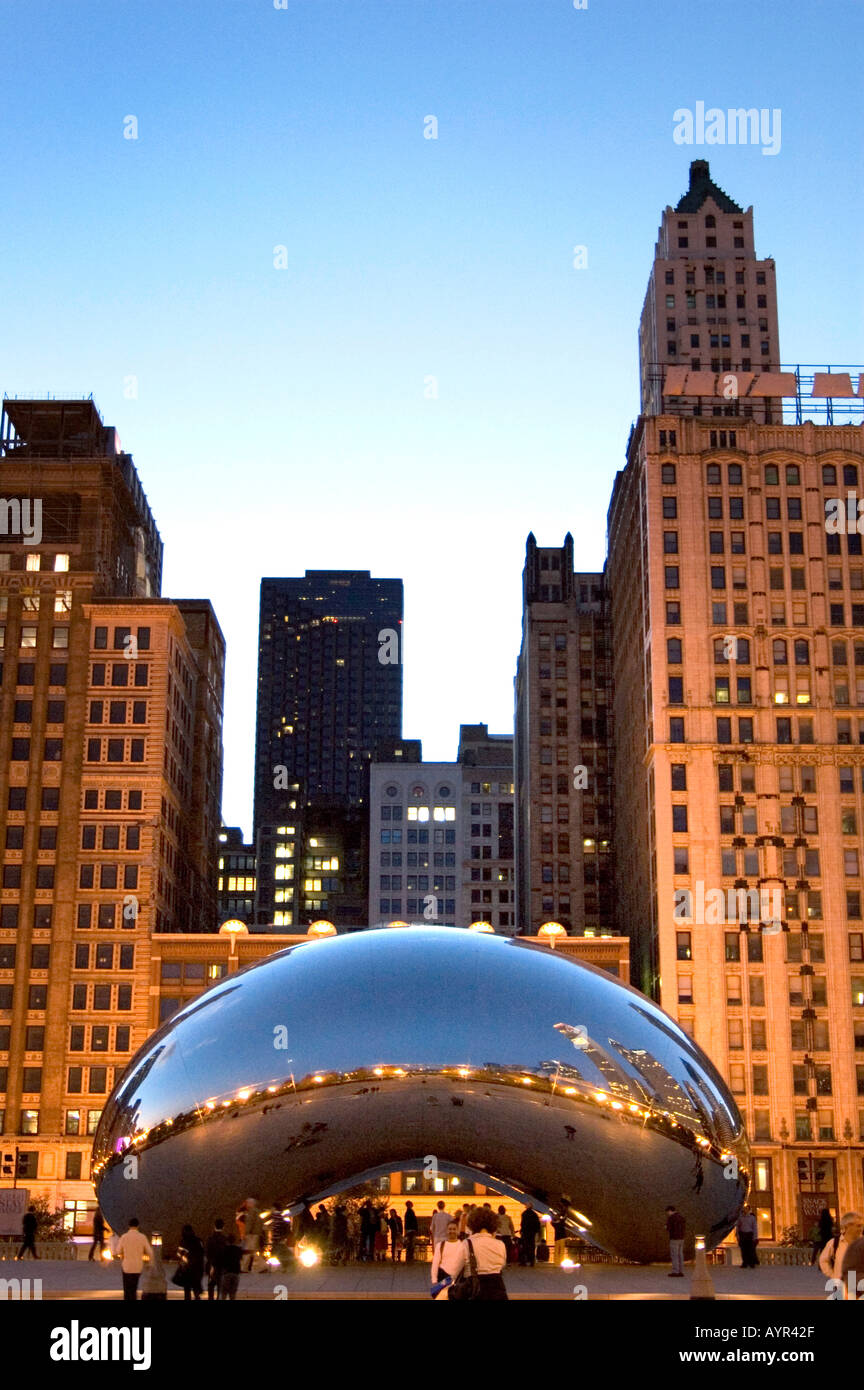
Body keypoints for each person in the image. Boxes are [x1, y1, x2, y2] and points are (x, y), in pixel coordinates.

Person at [447, 1207, 508, 1300]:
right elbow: (502, 1265)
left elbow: (454, 1271)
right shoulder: (500, 1244)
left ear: (472, 1224)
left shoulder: (466, 1244)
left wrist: (440, 1285)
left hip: (476, 1289)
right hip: (497, 1289)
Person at [819, 1211, 863, 1285]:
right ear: (847, 1226)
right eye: (858, 1226)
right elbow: (823, 1261)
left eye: (861, 1226)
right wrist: (833, 1276)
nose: (861, 1229)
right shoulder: (834, 1243)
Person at [117, 1218, 152, 1301]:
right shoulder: (142, 1237)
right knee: (134, 1288)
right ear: (138, 1226)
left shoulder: (124, 1237)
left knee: (127, 1289)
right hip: (138, 1266)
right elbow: (150, 1251)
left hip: (126, 1266)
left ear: (129, 1225)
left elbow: (117, 1250)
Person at [430, 1219, 463, 1299]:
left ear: (458, 1231)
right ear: (446, 1231)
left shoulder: (463, 1245)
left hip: (458, 1280)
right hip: (443, 1280)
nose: (452, 1231)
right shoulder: (440, 1245)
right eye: (450, 1229)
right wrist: (434, 1281)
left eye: (454, 1229)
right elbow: (435, 1264)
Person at [176, 1224, 205, 1300]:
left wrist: (181, 1264)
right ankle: (197, 1297)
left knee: (187, 1290)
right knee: (196, 1288)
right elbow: (202, 1253)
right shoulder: (198, 1241)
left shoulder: (183, 1241)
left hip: (187, 1269)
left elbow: (179, 1254)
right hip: (197, 1268)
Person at [205, 1218, 228, 1299]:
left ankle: (210, 1298)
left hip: (213, 1264)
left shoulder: (210, 1238)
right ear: (223, 1227)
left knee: (211, 1284)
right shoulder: (224, 1239)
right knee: (220, 1285)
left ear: (214, 1226)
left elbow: (207, 1252)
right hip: (221, 1265)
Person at [220, 1233, 243, 1300]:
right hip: (235, 1273)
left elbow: (222, 1260)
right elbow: (240, 1259)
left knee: (224, 1293)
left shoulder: (224, 1249)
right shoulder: (238, 1249)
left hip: (226, 1273)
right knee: (233, 1294)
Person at [735, 1204, 759, 1268]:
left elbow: (754, 1228)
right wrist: (737, 1236)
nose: (745, 1210)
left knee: (750, 1250)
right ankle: (744, 1262)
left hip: (749, 1234)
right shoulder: (741, 1218)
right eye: (744, 1209)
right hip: (743, 1234)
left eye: (746, 1209)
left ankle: (751, 1263)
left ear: (749, 1210)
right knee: (743, 1250)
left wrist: (755, 1237)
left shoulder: (752, 1218)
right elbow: (738, 1227)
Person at [666, 1205, 685, 1277]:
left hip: (674, 1238)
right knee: (680, 1255)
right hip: (681, 1238)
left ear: (670, 1211)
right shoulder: (681, 1217)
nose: (668, 1213)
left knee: (674, 1255)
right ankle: (681, 1271)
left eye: (668, 1212)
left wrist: (666, 1227)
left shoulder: (671, 1218)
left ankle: (675, 1271)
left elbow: (669, 1228)